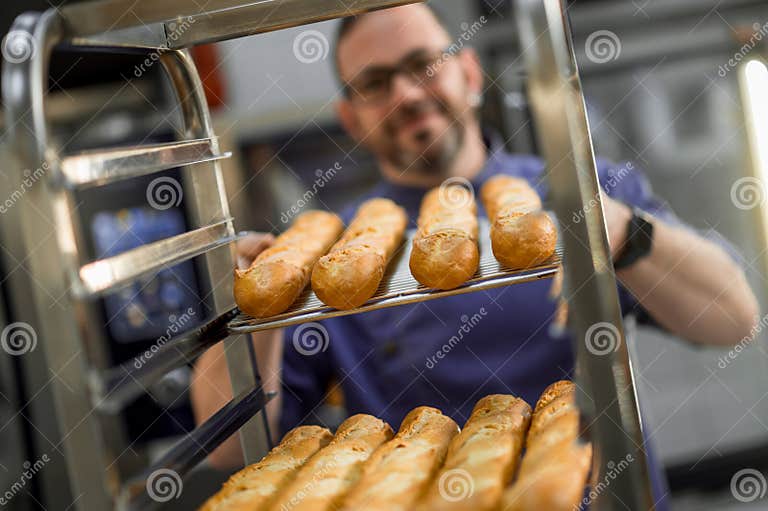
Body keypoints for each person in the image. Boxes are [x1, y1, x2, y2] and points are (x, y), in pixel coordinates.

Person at [191, 3, 759, 508]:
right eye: (376, 83)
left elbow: (733, 318)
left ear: (468, 72)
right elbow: (229, 450)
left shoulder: (581, 191)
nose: (408, 95)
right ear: (352, 118)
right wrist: (249, 315)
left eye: (423, 65)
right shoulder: (333, 258)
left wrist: (627, 232)